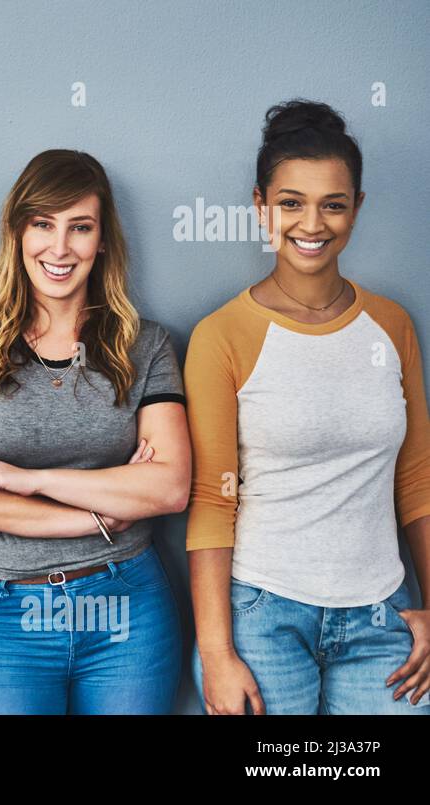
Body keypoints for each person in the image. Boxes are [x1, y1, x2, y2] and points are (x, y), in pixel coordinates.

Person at [186, 100, 430, 714]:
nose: (311, 223)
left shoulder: (392, 324)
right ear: (261, 205)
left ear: (357, 207)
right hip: (264, 617)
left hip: (383, 617)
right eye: (291, 202)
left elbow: (418, 481)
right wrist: (216, 651)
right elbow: (214, 500)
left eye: (333, 203)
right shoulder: (222, 334)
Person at [0, 149, 190, 714]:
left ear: (102, 240)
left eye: (80, 227)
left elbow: (170, 488)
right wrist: (101, 515)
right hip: (7, 616)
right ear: (18, 232)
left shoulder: (147, 346)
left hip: (127, 608)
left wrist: (25, 478)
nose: (60, 247)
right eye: (43, 224)